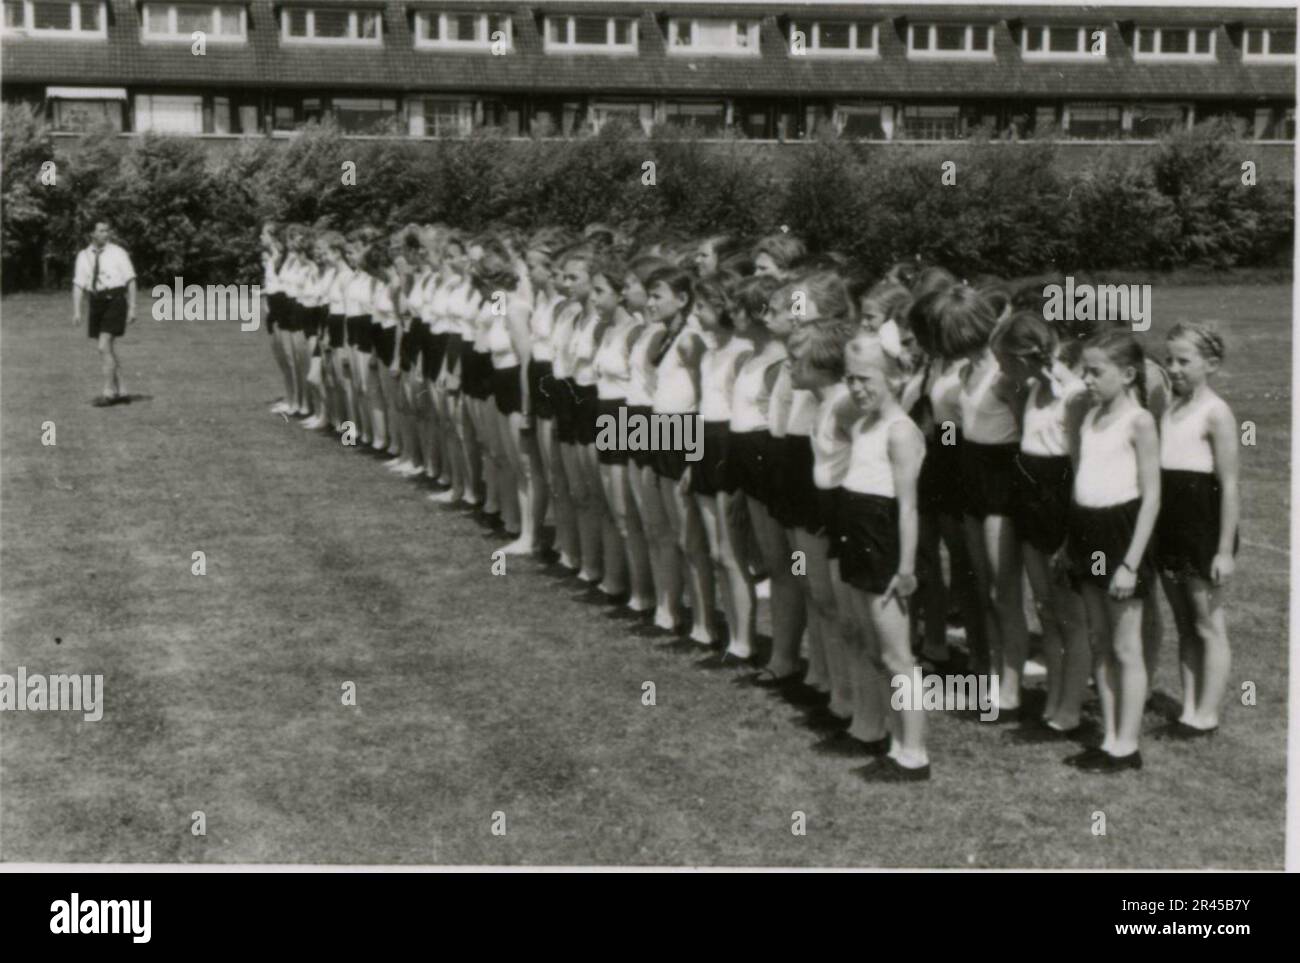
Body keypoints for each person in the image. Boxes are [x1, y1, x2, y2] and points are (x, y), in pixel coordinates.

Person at [1065, 332, 1160, 774]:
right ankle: (1108, 737)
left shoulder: (1139, 421)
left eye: (1096, 372)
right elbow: (1084, 479)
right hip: (1087, 533)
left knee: (1125, 647)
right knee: (1100, 640)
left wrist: (1129, 563)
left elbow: (1152, 498)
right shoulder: (1090, 416)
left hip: (1120, 536)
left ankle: (1127, 744)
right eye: (1084, 370)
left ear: (1126, 374)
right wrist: (1070, 543)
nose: (1087, 379)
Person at [1155, 322, 1239, 737]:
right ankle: (1188, 708)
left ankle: (1207, 712)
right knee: (1184, 622)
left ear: (1212, 364)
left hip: (1201, 532)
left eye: (1183, 361)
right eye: (1169, 359)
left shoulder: (1216, 413)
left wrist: (1223, 550)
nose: (1173, 368)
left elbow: (1229, 485)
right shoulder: (1170, 408)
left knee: (1207, 623)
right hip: (1169, 530)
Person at [72, 221, 137, 406]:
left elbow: (131, 280)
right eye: (101, 231)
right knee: (107, 348)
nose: (105, 234)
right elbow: (78, 284)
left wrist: (132, 307)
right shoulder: (83, 256)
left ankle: (109, 393)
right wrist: (77, 310)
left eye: (107, 230)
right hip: (96, 302)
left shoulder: (118, 253)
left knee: (103, 346)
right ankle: (122, 390)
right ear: (92, 234)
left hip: (115, 300)